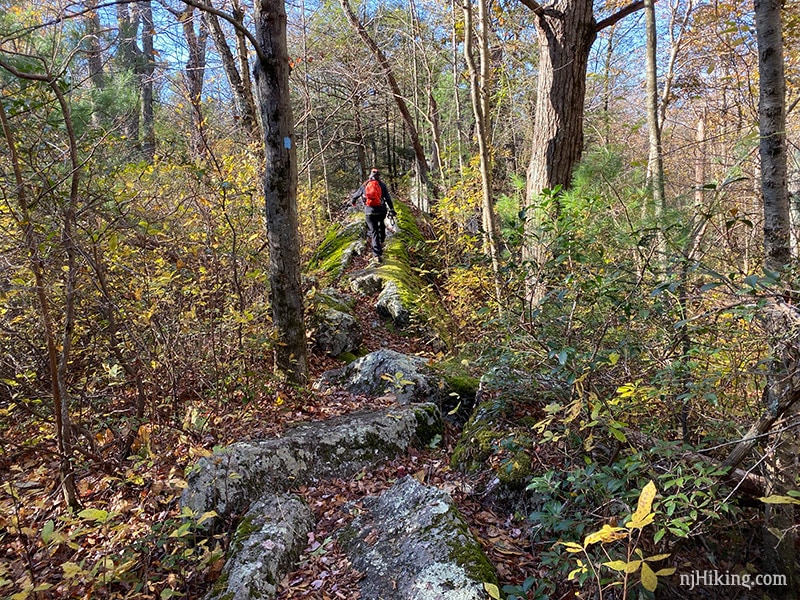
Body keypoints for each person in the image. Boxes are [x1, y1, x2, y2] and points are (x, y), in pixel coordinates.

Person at [350, 168, 396, 262]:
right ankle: (382, 240)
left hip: (369, 212)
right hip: (381, 210)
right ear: (378, 176)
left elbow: (355, 196)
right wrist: (391, 208)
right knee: (381, 223)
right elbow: (387, 198)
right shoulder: (382, 185)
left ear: (370, 176)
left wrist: (353, 202)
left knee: (374, 231)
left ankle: (377, 254)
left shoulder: (365, 185)